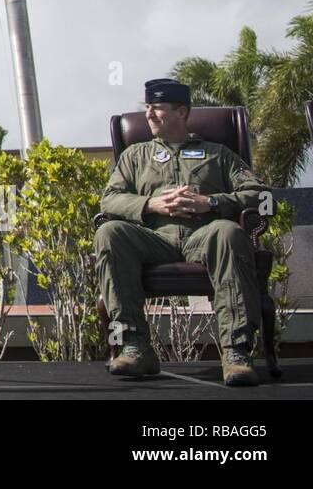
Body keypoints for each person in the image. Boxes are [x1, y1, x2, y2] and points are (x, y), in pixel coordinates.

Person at [95, 78, 266, 386]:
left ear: (182, 112)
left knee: (228, 233)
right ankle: (135, 347)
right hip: (154, 238)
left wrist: (210, 202)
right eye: (147, 108)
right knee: (109, 232)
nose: (149, 114)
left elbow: (258, 194)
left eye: (157, 108)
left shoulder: (218, 153)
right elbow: (109, 198)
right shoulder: (135, 156)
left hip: (205, 234)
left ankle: (236, 352)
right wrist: (151, 204)